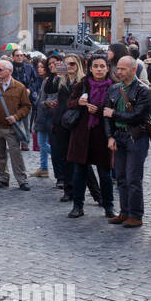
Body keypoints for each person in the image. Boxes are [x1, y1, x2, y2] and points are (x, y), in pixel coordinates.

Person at [104, 57, 151, 228]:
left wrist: (114, 115)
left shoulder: (143, 90)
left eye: (123, 69)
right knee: (121, 177)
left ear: (134, 70)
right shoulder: (113, 89)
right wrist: (110, 136)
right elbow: (106, 116)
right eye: (118, 68)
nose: (119, 71)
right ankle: (124, 211)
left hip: (136, 137)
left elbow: (138, 116)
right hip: (119, 135)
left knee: (133, 178)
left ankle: (136, 215)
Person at [66, 56, 116, 220]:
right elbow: (70, 103)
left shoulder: (114, 87)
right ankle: (77, 206)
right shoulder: (82, 84)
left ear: (108, 68)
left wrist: (99, 110)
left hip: (103, 135)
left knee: (105, 175)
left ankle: (109, 207)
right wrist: (79, 102)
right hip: (82, 135)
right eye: (96, 66)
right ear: (90, 68)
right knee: (79, 173)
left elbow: (115, 111)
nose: (99, 69)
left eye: (102, 66)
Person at [0, 58, 31, 191]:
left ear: (9, 71)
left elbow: (27, 106)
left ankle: (22, 180)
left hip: (11, 128)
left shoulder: (19, 87)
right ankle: (2, 179)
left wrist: (16, 117)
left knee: (16, 154)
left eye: (0, 69)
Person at [44, 54, 84, 203]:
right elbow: (49, 89)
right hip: (62, 122)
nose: (70, 67)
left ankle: (86, 189)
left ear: (78, 65)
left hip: (77, 122)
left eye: (73, 64)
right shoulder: (61, 79)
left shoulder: (83, 81)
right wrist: (54, 73)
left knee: (79, 158)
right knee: (65, 157)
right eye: (67, 64)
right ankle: (68, 189)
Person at [31, 58, 55, 179]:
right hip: (42, 115)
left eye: (42, 67)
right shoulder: (42, 80)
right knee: (42, 143)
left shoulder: (48, 81)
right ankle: (44, 168)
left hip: (46, 116)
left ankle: (60, 157)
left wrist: (41, 102)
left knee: (42, 143)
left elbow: (45, 100)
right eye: (38, 67)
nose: (39, 69)